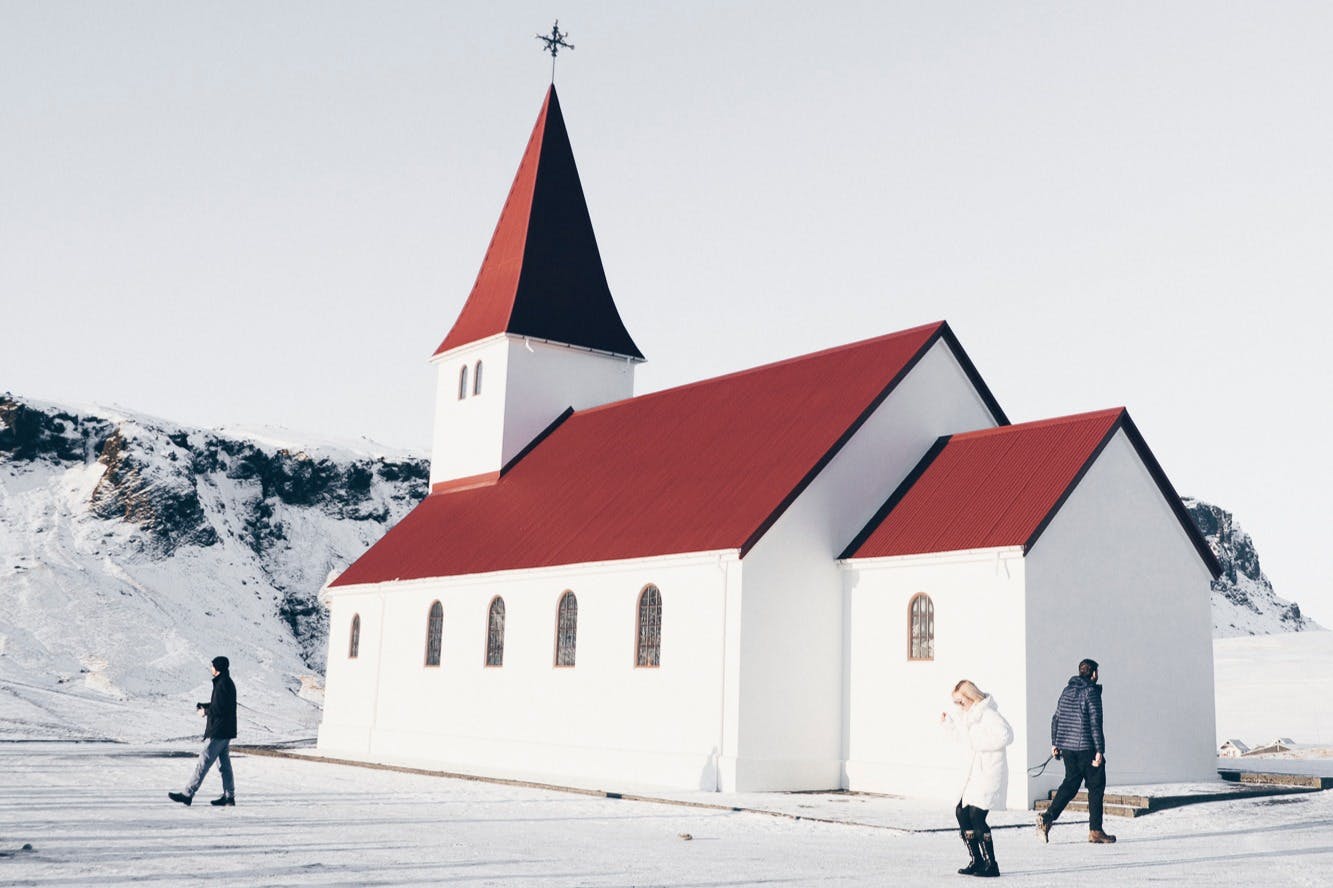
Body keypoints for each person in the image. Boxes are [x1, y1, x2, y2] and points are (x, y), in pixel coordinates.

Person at [1037, 658, 1117, 843]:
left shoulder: (1067, 691)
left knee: (1070, 784)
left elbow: (1056, 718)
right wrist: (1100, 751)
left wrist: (1055, 743)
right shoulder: (1091, 692)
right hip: (1086, 748)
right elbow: (1095, 723)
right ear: (1094, 673)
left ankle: (1048, 817)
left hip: (1068, 748)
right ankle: (1095, 830)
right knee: (1096, 787)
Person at [940, 679, 1014, 878]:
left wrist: (980, 743)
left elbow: (1006, 735)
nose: (958, 706)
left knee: (976, 815)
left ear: (970, 698)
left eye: (960, 701)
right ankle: (977, 860)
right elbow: (964, 742)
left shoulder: (988, 714)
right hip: (972, 773)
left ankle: (992, 864)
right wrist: (948, 725)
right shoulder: (969, 717)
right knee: (961, 812)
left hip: (988, 772)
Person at [168, 655, 237, 807]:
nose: (211, 669)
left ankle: (187, 794)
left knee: (203, 761)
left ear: (218, 668)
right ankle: (229, 797)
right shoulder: (225, 682)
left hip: (219, 730)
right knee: (224, 766)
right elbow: (220, 704)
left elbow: (219, 709)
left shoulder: (222, 684)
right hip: (225, 730)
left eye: (212, 666)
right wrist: (205, 705)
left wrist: (205, 711)